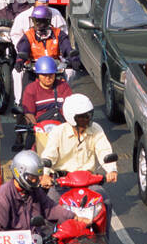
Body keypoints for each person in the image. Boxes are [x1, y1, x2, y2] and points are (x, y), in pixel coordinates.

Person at [40, 94, 117, 231]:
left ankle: (103, 241)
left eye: (88, 115)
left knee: (105, 203)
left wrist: (111, 170)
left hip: (88, 184)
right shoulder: (58, 132)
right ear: (71, 117)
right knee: (49, 207)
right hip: (61, 183)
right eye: (82, 116)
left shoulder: (96, 129)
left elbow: (104, 150)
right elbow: (49, 155)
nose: (86, 119)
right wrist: (45, 174)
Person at [0, 150, 72, 232]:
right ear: (18, 173)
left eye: (37, 178)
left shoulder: (35, 191)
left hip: (36, 239)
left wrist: (75, 218)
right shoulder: (2, 197)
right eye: (32, 178)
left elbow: (51, 209)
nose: (35, 181)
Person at [13, 3, 79, 104]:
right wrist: (19, 60)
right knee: (19, 78)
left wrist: (73, 59)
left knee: (70, 76)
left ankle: (67, 104)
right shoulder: (28, 35)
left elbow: (67, 47)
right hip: (34, 69)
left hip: (55, 68)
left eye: (41, 21)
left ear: (48, 21)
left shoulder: (58, 33)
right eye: (36, 21)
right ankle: (20, 103)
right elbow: (23, 49)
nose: (38, 24)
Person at [20, 56, 74, 128]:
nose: (48, 78)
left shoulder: (63, 87)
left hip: (62, 127)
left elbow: (70, 109)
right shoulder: (31, 89)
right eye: (44, 75)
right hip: (40, 128)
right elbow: (29, 114)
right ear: (38, 75)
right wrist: (36, 128)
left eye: (51, 74)